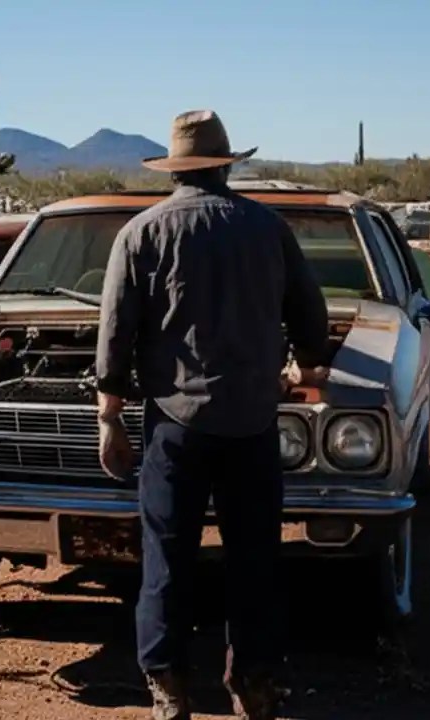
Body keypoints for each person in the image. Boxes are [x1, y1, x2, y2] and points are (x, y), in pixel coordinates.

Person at [94, 109, 332, 720]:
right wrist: (306, 365)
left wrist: (109, 416)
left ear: (175, 169)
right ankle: (252, 681)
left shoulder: (141, 234)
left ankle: (168, 687)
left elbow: (116, 334)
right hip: (251, 422)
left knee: (167, 557)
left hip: (175, 426)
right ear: (227, 164)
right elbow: (310, 314)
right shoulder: (267, 228)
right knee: (253, 558)